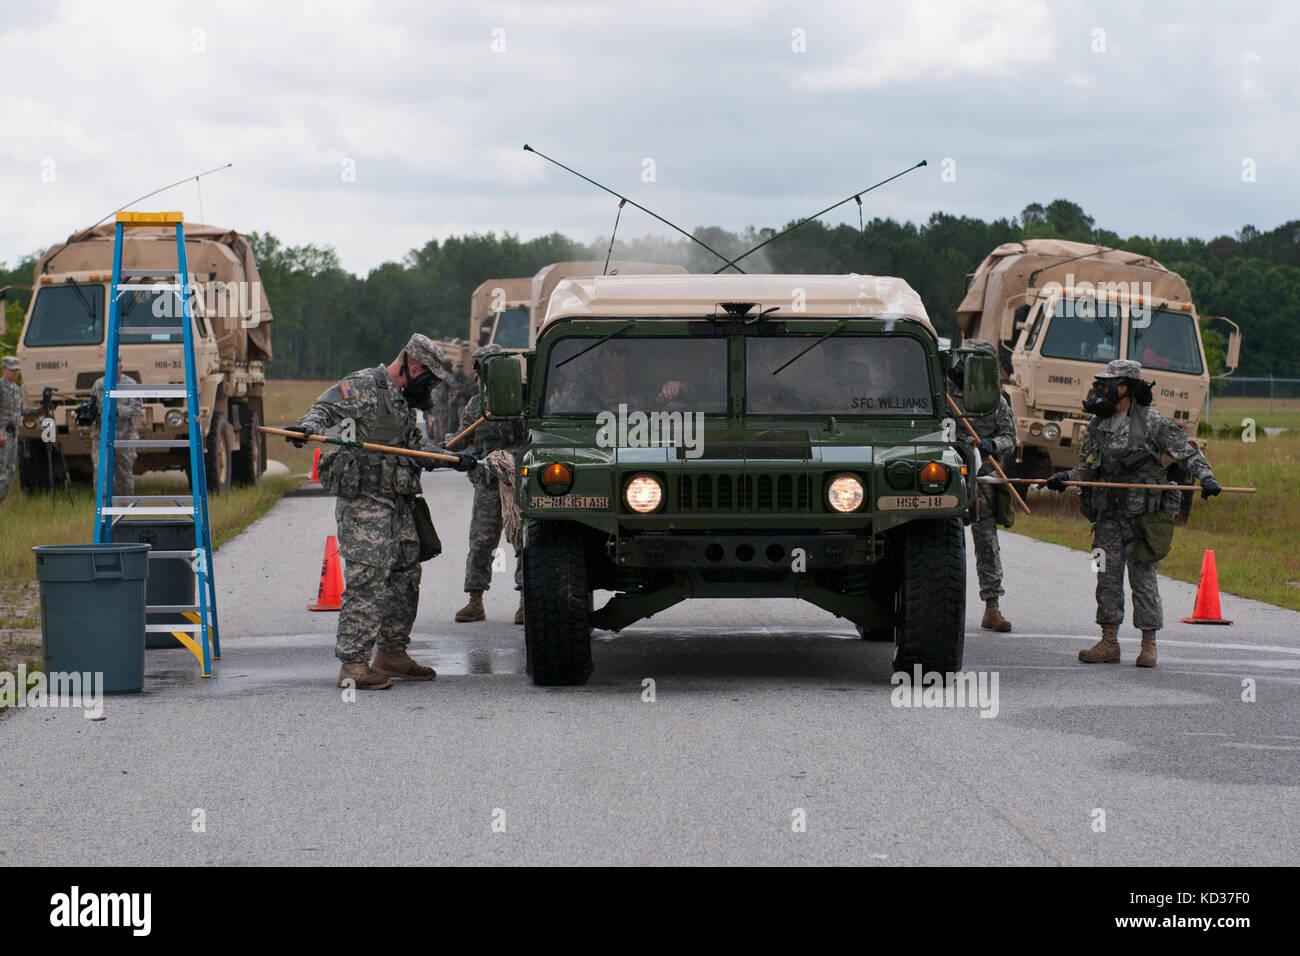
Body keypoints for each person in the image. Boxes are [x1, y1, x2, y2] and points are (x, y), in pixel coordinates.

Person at [285, 333, 475, 690]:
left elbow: (414, 447)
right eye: (429, 378)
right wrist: (307, 428)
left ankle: (391, 653)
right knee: (368, 581)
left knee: (406, 577)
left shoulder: (402, 401)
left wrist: (450, 457)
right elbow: (324, 409)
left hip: (399, 502)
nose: (430, 387)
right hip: (365, 503)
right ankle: (353, 665)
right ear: (413, 367)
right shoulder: (362, 386)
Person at [1044, 358, 1220, 667]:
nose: (1101, 389)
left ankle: (1148, 645)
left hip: (1143, 518)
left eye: (1108, 383)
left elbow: (1187, 452)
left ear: (1125, 387)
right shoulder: (1098, 424)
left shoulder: (1153, 423)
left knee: (1144, 579)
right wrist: (1067, 477)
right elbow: (1088, 466)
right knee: (1106, 578)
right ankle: (1109, 642)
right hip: (1107, 517)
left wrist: (1205, 477)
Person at [453, 344, 529, 625]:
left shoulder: (523, 400)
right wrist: (446, 450)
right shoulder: (476, 405)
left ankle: (525, 600)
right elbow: (463, 439)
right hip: (486, 484)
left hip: (516, 483)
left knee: (522, 540)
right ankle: (475, 601)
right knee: (482, 541)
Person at [950, 339, 1017, 631]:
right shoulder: (946, 395)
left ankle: (992, 606)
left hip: (983, 483)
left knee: (987, 545)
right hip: (946, 479)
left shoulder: (996, 402)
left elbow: (1011, 439)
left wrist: (992, 444)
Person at [90, 360, 144, 497]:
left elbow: (137, 409)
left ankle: (126, 507)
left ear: (121, 368)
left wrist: (117, 410)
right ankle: (101, 508)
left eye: (115, 368)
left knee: (124, 473)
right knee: (101, 470)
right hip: (102, 435)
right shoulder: (99, 384)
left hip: (124, 435)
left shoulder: (130, 385)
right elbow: (93, 407)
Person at [0, 356, 40, 508]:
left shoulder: (16, 389)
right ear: (5, 369)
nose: (15, 373)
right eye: (12, 370)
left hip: (13, 434)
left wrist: (38, 410)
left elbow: (21, 410)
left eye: (17, 370)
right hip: (3, 433)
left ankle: (2, 502)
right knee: (1, 470)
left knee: (10, 470)